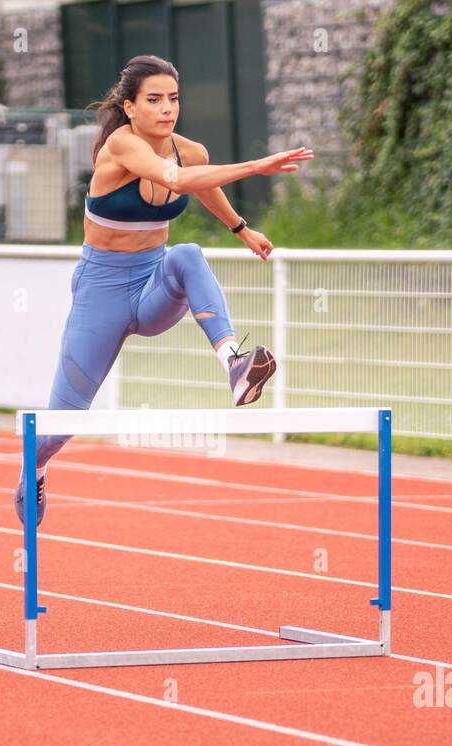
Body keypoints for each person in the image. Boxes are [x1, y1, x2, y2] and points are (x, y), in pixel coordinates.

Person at [16, 53, 314, 525]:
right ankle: (35, 466)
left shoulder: (189, 150)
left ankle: (234, 363)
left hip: (154, 285)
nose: (166, 109)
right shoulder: (121, 146)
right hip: (102, 292)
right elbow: (176, 180)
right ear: (130, 107)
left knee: (188, 254)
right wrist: (256, 166)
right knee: (63, 421)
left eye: (173, 99)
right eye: (154, 100)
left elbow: (200, 184)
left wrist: (243, 229)